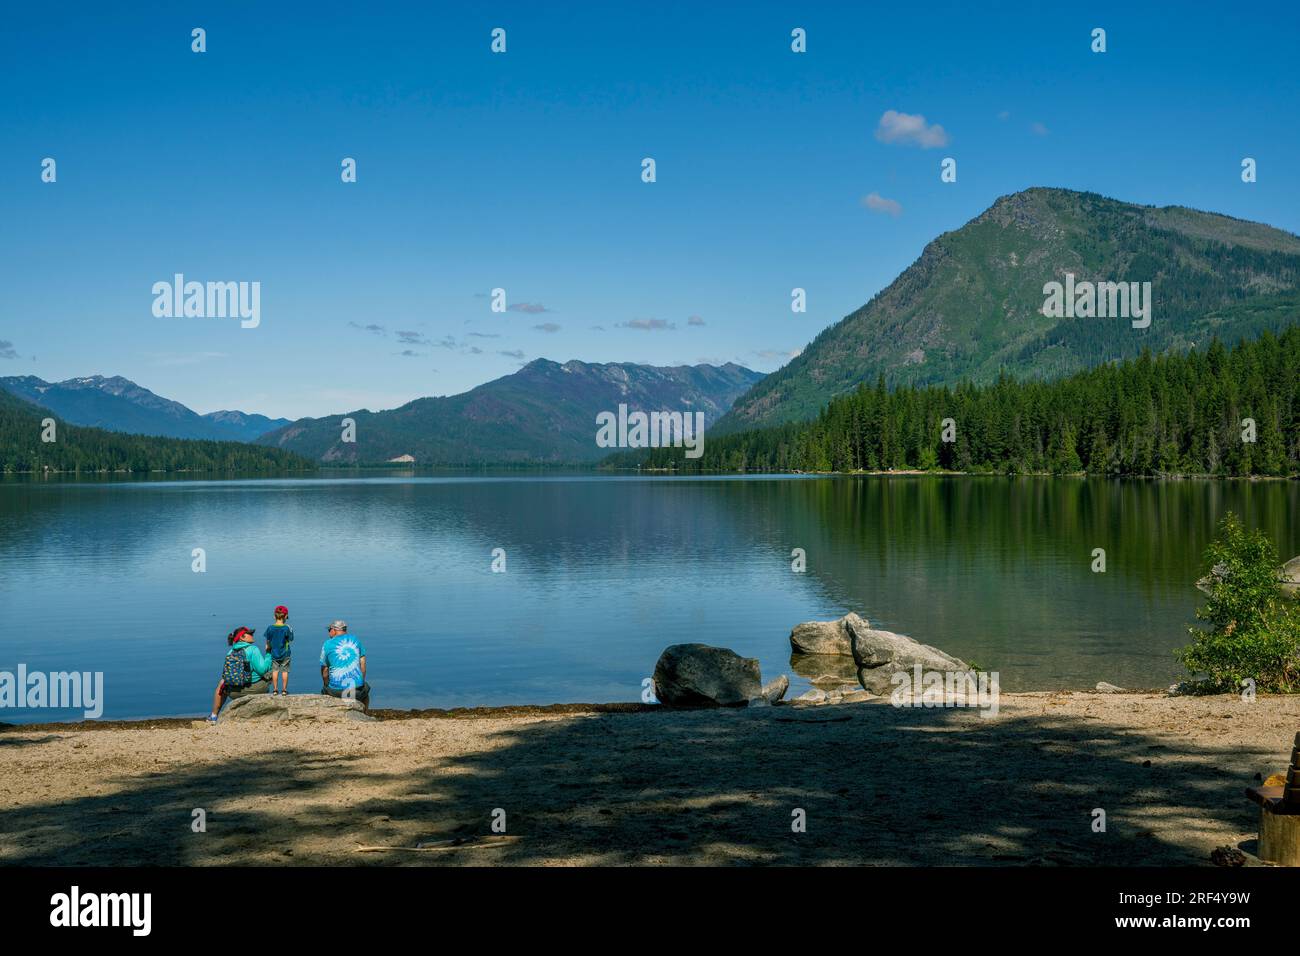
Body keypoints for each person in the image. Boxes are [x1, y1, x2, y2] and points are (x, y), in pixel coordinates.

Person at [207, 626, 274, 722]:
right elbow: (263, 670)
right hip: (255, 689)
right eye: (250, 633)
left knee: (222, 682)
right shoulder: (253, 649)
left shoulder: (230, 652)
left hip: (234, 693)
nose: (252, 635)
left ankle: (213, 715)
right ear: (242, 637)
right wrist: (268, 653)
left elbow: (227, 675)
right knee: (271, 670)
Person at [320, 619, 370, 711]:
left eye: (329, 630)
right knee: (366, 689)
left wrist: (326, 684)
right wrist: (361, 681)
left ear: (334, 630)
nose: (328, 633)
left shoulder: (327, 644)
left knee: (324, 690)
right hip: (356, 690)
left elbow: (325, 671)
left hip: (337, 691)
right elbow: (363, 665)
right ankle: (365, 713)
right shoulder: (355, 640)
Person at [264, 605, 294, 695]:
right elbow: (291, 639)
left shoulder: (270, 628)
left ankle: (275, 689)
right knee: (285, 671)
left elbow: (268, 641)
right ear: (286, 616)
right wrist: (290, 630)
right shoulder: (287, 628)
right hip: (285, 654)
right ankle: (284, 690)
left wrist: (267, 649)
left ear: (274, 616)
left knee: (275, 671)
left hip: (274, 653)